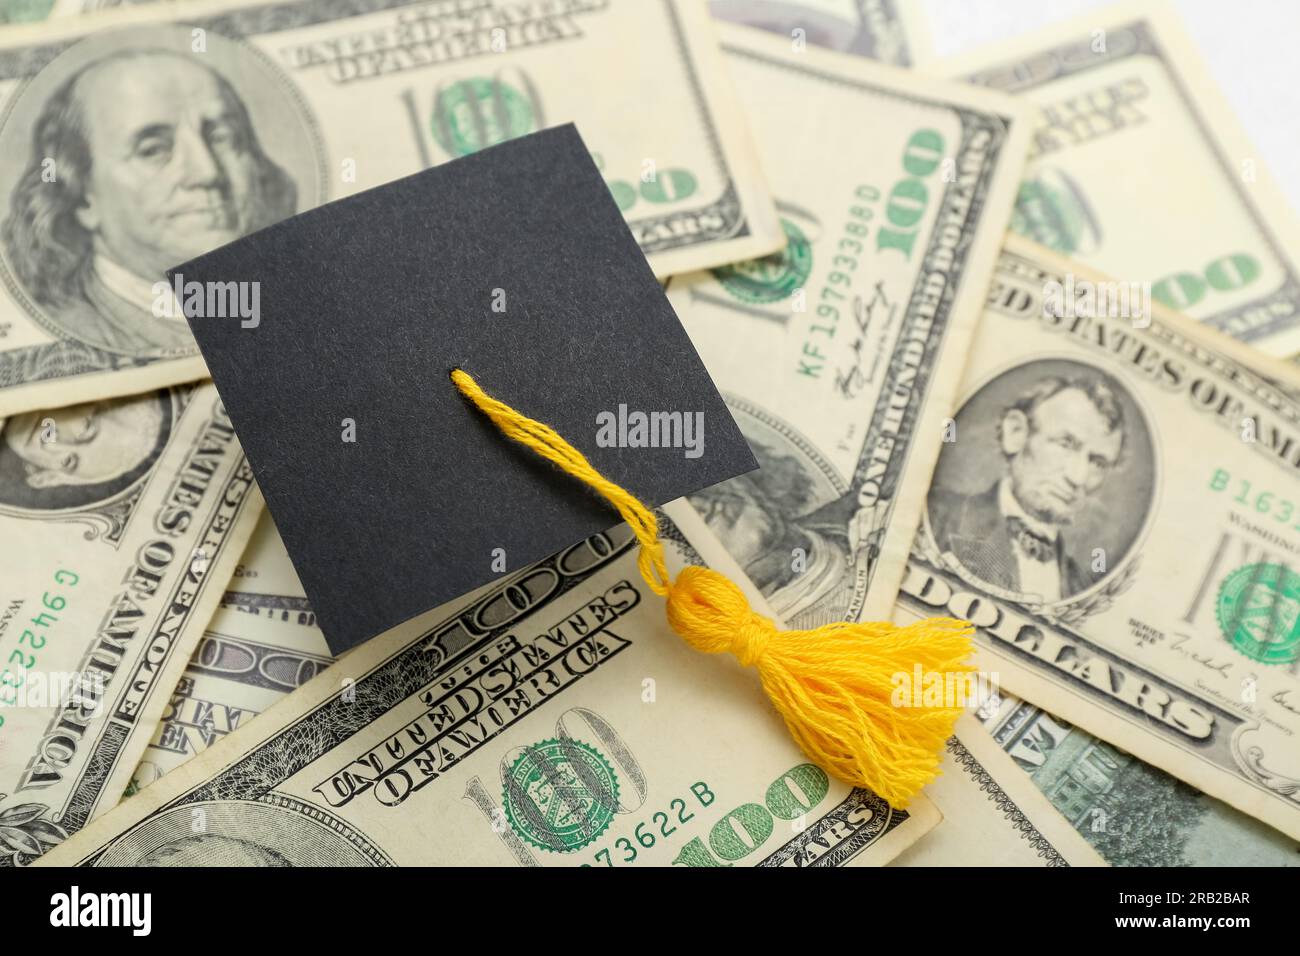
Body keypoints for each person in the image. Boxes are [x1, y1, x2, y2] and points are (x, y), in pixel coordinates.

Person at [1, 49, 296, 355]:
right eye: (153, 149)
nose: (207, 172)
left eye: (222, 137)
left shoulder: (288, 298)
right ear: (81, 196)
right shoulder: (76, 330)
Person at [928, 375, 1125, 602]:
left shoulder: (1083, 590)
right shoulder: (937, 516)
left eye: (1097, 463)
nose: (1078, 477)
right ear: (1016, 433)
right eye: (1065, 444)